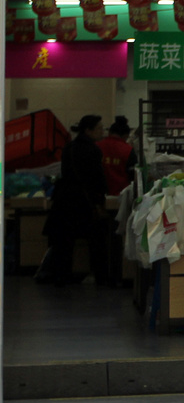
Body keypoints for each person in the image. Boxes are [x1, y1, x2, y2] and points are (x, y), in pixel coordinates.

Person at [38, 114, 111, 287]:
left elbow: (65, 173)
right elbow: (97, 179)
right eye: (99, 128)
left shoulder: (69, 148)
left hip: (64, 201)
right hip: (85, 203)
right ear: (89, 130)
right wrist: (100, 200)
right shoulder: (94, 150)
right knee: (97, 241)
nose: (102, 131)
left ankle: (61, 277)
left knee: (64, 243)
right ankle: (101, 278)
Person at [97, 115, 137, 196]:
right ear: (126, 136)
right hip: (121, 195)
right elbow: (133, 176)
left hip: (99, 195)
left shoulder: (96, 146)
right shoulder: (128, 150)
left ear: (109, 132)